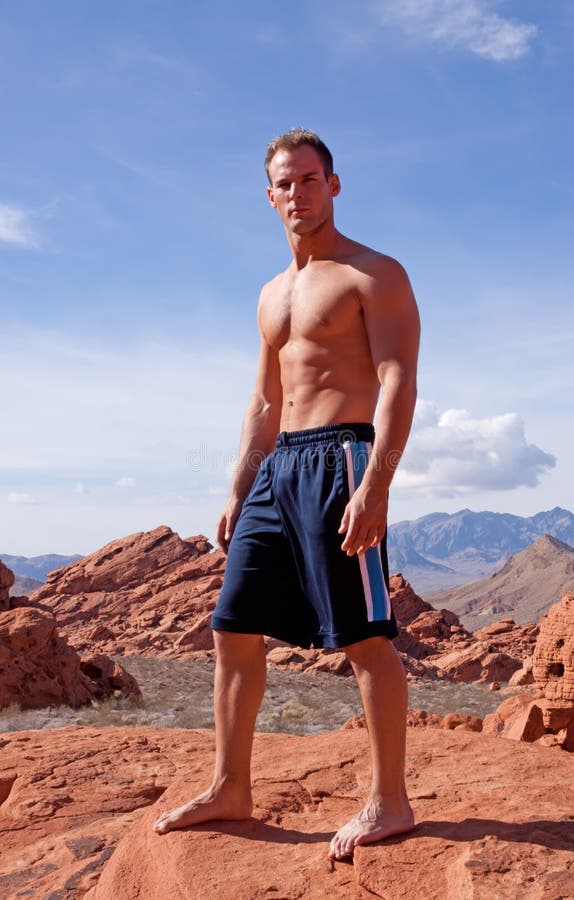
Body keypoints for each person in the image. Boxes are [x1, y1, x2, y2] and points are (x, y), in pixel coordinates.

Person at [153, 128, 420, 860]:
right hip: (279, 469)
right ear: (268, 195)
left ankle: (390, 802)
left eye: (310, 179)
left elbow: (399, 378)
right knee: (232, 628)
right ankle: (230, 786)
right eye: (284, 183)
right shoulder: (273, 293)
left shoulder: (374, 274)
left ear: (334, 185)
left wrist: (377, 482)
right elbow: (264, 401)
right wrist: (242, 485)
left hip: (341, 457)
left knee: (364, 638)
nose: (298, 194)